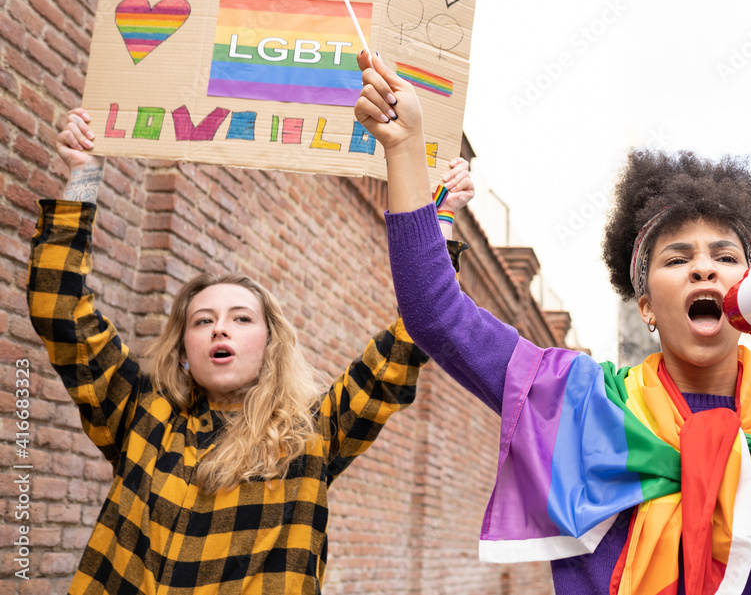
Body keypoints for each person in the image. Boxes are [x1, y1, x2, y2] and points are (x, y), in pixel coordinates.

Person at [353, 51, 751, 595]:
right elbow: (435, 315)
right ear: (647, 308)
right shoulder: (587, 405)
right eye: (677, 259)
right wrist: (404, 151)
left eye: (725, 258)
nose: (703, 266)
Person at [27, 108, 474, 594]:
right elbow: (60, 309)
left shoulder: (313, 433)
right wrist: (83, 174)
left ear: (270, 345)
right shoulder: (139, 414)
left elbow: (413, 338)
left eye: (241, 318)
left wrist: (440, 220)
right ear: (183, 351)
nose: (221, 329)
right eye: (203, 321)